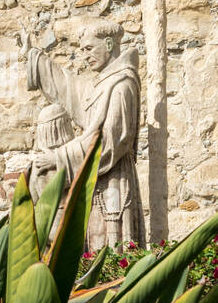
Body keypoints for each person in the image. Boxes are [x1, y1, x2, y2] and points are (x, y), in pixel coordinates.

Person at [19, 19, 144, 250]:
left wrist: (57, 158)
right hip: (95, 177)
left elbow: (109, 140)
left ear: (108, 44)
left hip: (112, 179)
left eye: (88, 48)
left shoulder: (122, 85)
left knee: (110, 252)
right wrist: (36, 59)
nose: (84, 56)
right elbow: (70, 89)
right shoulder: (102, 82)